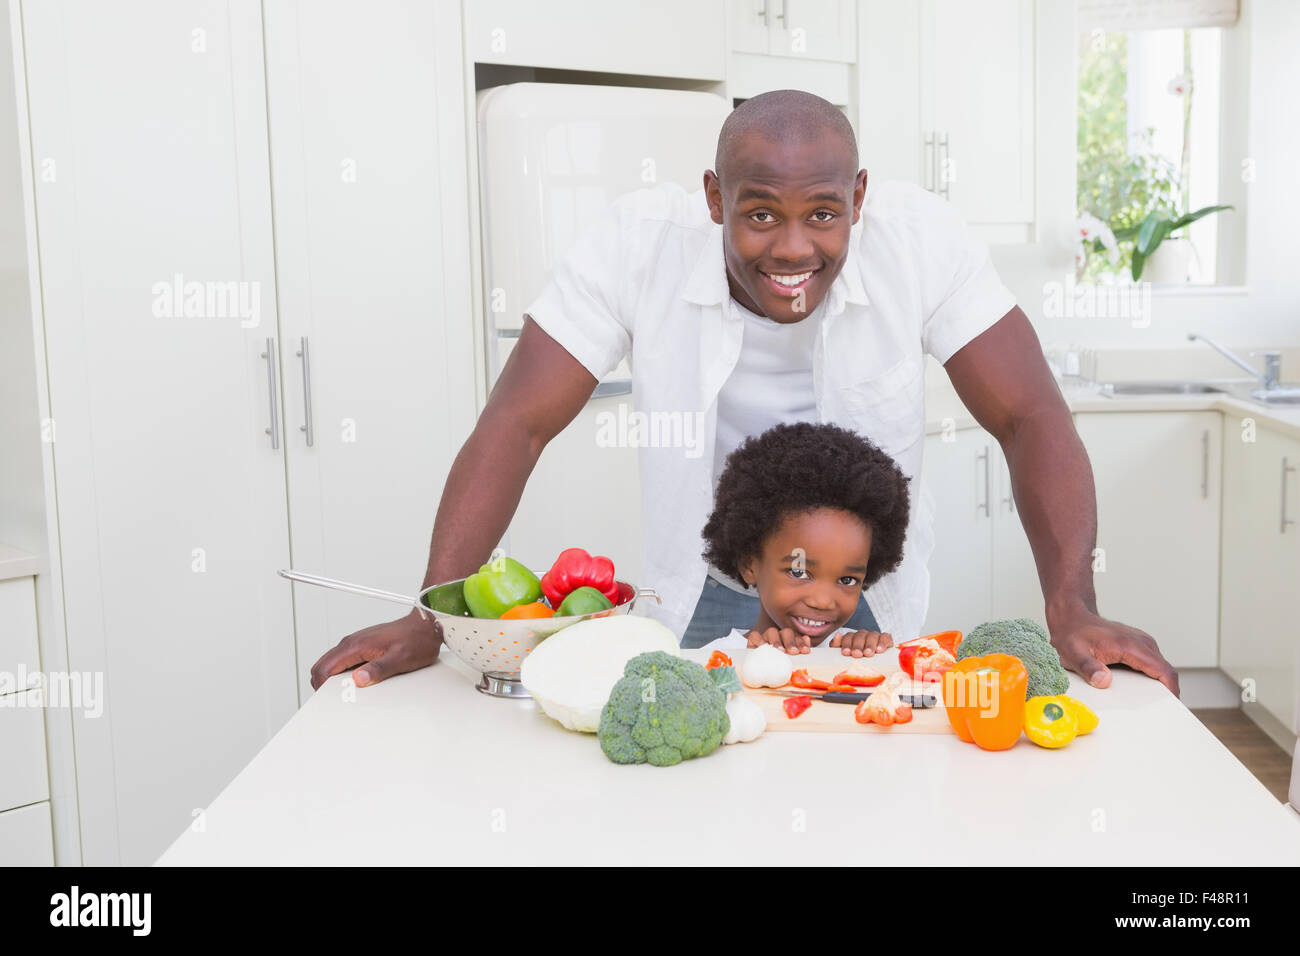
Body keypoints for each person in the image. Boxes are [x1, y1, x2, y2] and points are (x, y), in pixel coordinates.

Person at [310, 89, 1179, 697]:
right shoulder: (637, 242)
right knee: (705, 774)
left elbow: (1030, 415)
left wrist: (1072, 604)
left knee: (864, 772)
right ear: (715, 198)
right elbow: (518, 423)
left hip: (861, 582)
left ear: (859, 200)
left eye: (824, 215)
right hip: (709, 578)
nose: (794, 249)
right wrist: (430, 611)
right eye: (760, 214)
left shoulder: (923, 240)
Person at [696, 422, 909, 656]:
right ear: (749, 564)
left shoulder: (851, 654)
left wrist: (875, 660)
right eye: (798, 572)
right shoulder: (716, 660)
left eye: (847, 580)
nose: (823, 601)